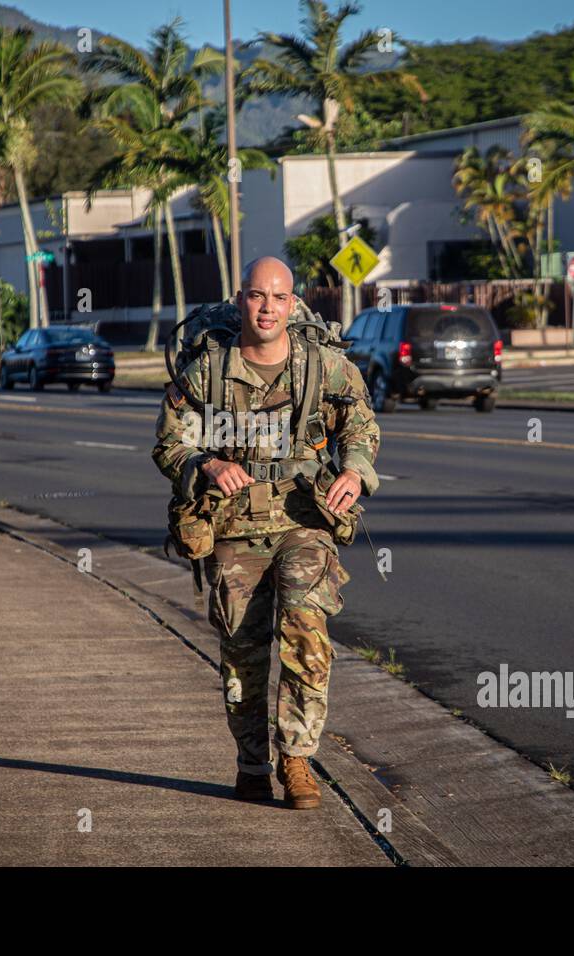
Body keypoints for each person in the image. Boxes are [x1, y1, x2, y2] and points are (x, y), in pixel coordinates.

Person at [151, 256, 380, 810]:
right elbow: (167, 443)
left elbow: (362, 426)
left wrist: (354, 468)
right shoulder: (208, 371)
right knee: (242, 653)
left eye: (279, 298)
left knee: (306, 631)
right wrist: (205, 464)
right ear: (239, 299)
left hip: (305, 520)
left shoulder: (324, 367)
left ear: (293, 301)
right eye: (258, 297)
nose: (268, 308)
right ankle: (251, 763)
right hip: (234, 526)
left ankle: (298, 759)